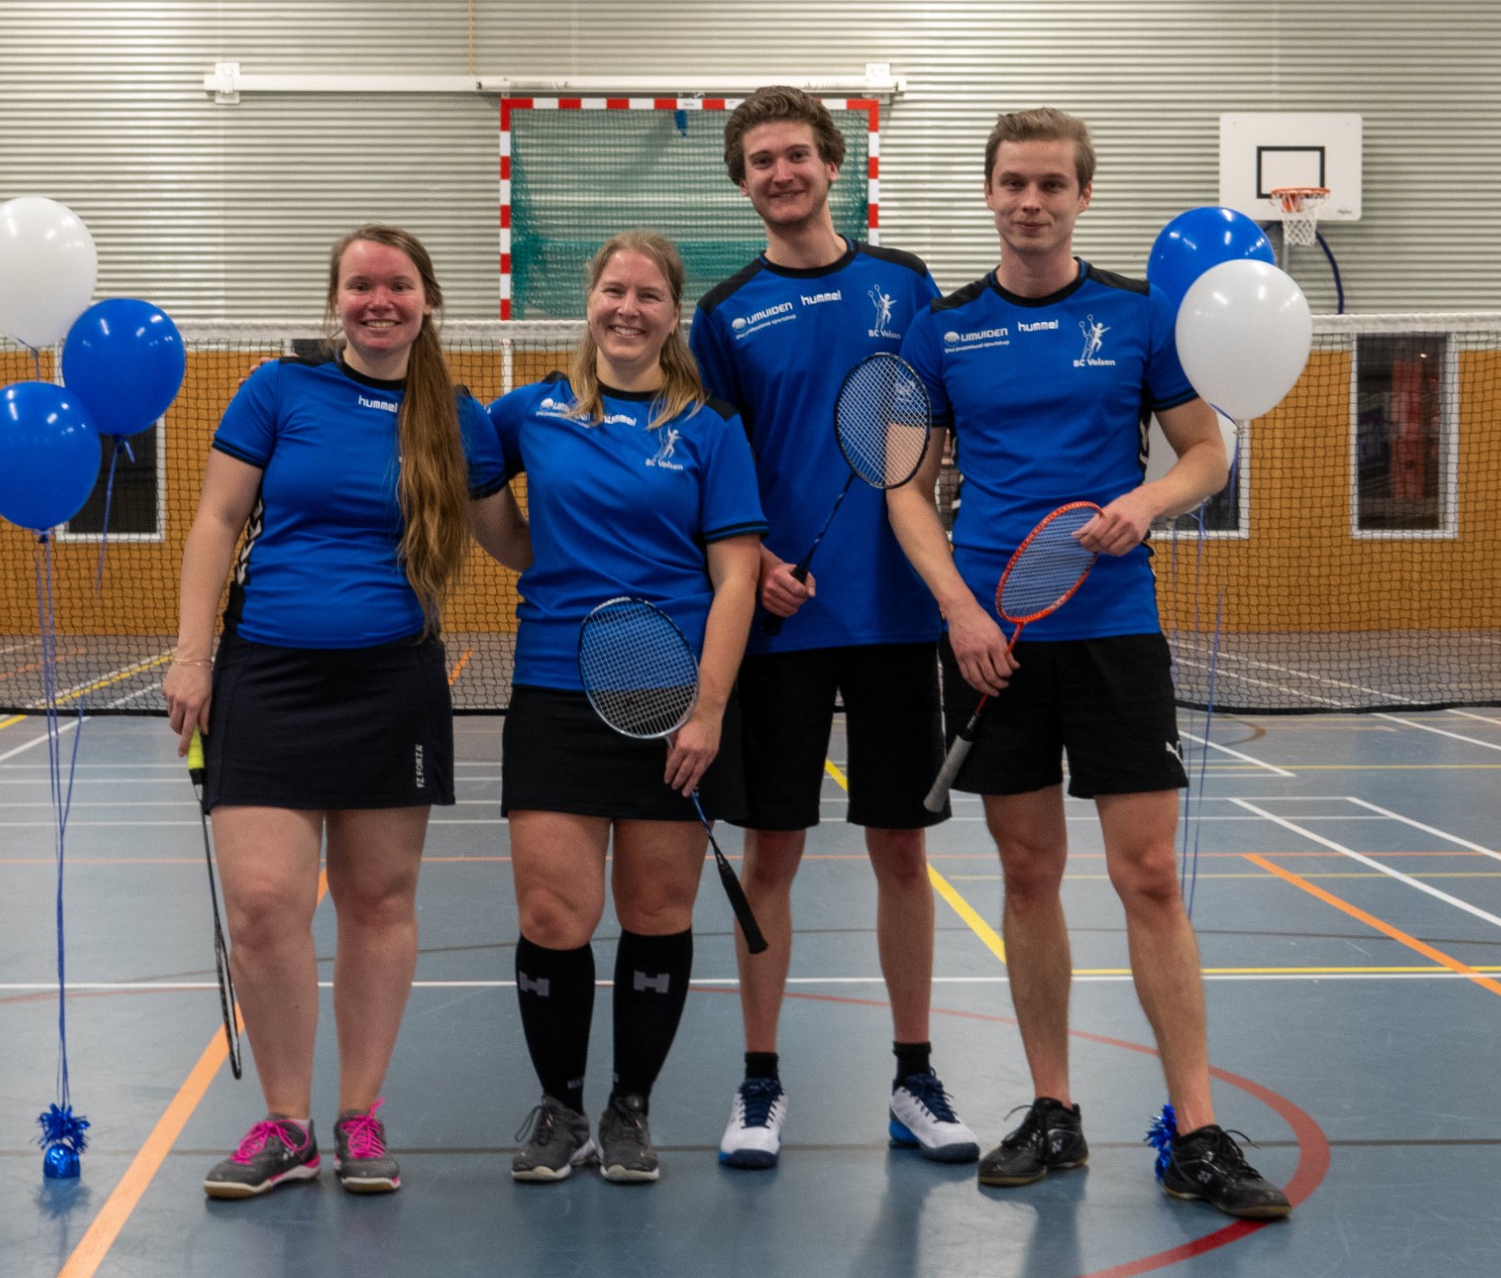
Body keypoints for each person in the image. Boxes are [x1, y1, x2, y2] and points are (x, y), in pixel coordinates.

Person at [887, 109, 1292, 1218]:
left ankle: (1196, 1128)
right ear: (989, 194)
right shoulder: (943, 330)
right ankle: (1055, 1108)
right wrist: (961, 608)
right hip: (992, 637)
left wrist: (1146, 499)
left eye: (1052, 183)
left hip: (1113, 628)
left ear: (1081, 196)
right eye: (1013, 181)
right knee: (1026, 873)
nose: (1032, 200)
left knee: (1148, 874)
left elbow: (1207, 451)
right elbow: (902, 490)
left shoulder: (1137, 315)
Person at [163, 225, 529, 1199]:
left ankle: (359, 1115)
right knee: (265, 902)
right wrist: (192, 655)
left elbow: (515, 541)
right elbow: (215, 520)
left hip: (391, 682)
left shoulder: (457, 417)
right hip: (268, 677)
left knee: (377, 903)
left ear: (427, 299)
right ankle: (286, 1123)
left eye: (397, 284)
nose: (379, 299)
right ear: (337, 300)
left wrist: (646, 544)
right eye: (361, 284)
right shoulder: (277, 392)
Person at [688, 85, 976, 1169]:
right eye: (760, 159)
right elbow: (717, 462)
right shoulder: (723, 314)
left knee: (902, 851)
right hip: (776, 630)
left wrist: (925, 511)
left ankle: (915, 1075)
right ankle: (760, 1084)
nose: (781, 172)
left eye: (796, 154)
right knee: (776, 852)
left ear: (831, 164)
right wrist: (754, 560)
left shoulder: (905, 286)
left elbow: (932, 430)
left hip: (898, 617)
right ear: (743, 178)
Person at [489, 231, 765, 1185]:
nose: (629, 308)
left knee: (656, 911)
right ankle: (561, 1108)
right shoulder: (532, 412)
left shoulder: (710, 428)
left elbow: (737, 579)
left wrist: (708, 708)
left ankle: (631, 1108)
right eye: (615, 290)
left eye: (650, 295)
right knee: (552, 912)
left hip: (671, 698)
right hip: (557, 690)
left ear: (671, 313)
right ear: (591, 300)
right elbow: (488, 511)